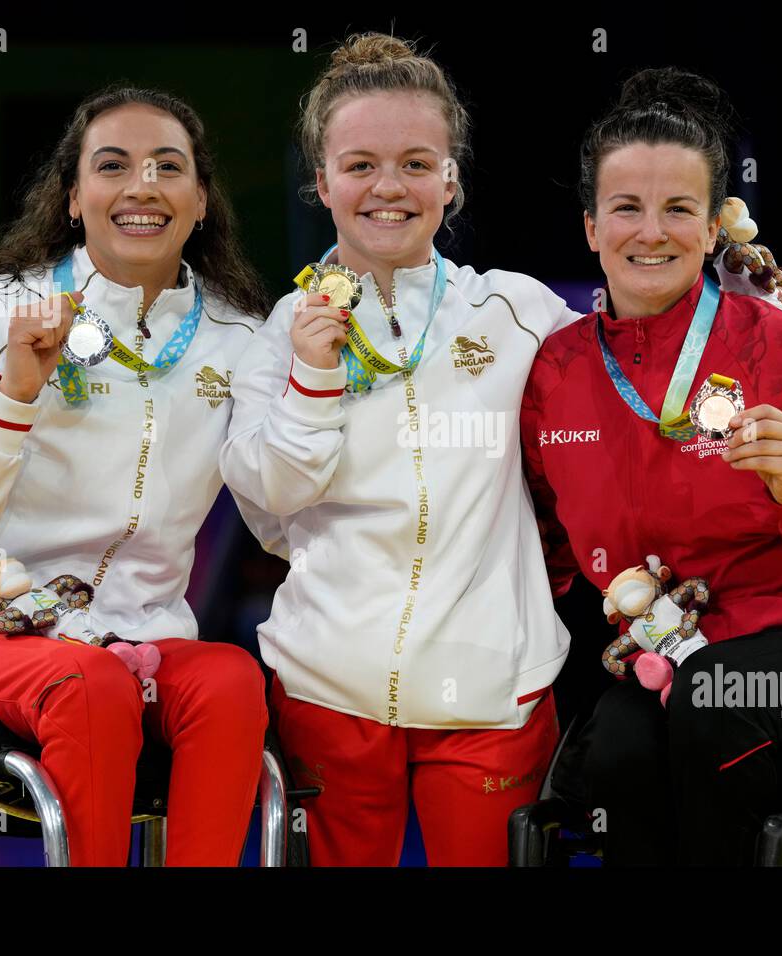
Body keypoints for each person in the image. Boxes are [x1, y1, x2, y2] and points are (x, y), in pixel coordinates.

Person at [520, 67, 782, 865]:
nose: (650, 232)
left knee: (712, 700)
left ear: (710, 230)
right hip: (671, 647)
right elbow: (548, 548)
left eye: (678, 210)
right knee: (618, 749)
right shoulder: (554, 375)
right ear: (592, 226)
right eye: (626, 208)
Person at [222, 33, 583, 866]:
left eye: (417, 163)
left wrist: (749, 314)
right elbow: (272, 504)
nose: (389, 188)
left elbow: (624, 395)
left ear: (450, 180)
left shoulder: (516, 312)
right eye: (360, 165)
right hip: (327, 689)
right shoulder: (274, 337)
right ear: (321, 182)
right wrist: (314, 378)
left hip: (491, 693)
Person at [0, 85, 272, 866]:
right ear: (73, 197)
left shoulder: (242, 341)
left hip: (142, 636)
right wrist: (12, 398)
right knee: (89, 684)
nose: (142, 186)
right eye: (113, 166)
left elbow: (283, 505)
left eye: (169, 167)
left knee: (233, 679)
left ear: (200, 201)